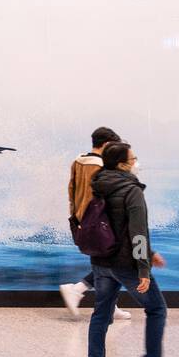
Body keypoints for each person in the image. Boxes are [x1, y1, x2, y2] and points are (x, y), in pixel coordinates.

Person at [84, 142, 179, 357]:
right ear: (122, 164)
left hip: (101, 261)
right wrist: (144, 268)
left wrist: (151, 252)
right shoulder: (132, 190)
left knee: (101, 314)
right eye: (133, 158)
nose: (136, 162)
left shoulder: (99, 184)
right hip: (126, 264)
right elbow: (137, 234)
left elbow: (115, 226)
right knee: (157, 308)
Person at [60, 126, 131, 319]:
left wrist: (75, 218)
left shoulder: (78, 161)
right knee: (115, 262)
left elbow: (71, 190)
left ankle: (109, 304)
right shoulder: (100, 165)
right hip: (101, 221)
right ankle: (77, 289)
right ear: (107, 144)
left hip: (83, 219)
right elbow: (107, 196)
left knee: (105, 261)